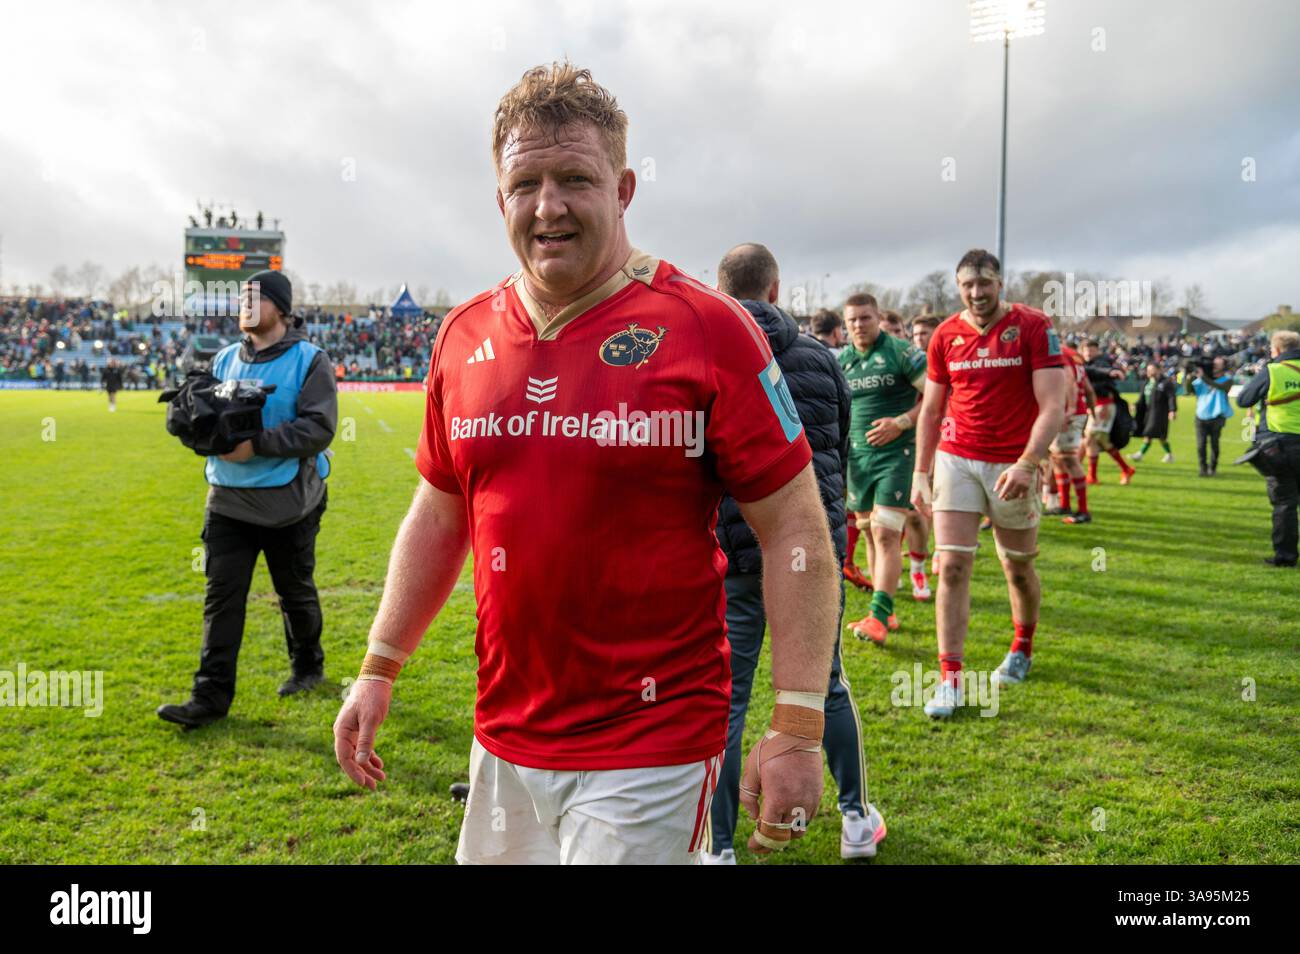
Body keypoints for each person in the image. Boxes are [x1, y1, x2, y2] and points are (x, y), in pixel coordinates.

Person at [331, 62, 839, 865]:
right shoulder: (462, 337)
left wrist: (800, 721)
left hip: (654, 741)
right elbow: (438, 514)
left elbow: (796, 527)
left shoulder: (709, 328)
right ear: (499, 198)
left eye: (575, 178)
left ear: (625, 187)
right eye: (524, 183)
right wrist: (379, 666)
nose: (548, 206)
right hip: (503, 736)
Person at [706, 243, 885, 863]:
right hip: (811, 549)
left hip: (737, 549)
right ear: (777, 290)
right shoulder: (822, 357)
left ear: (723, 293)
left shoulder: (707, 350)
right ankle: (856, 818)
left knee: (728, 697)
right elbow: (839, 439)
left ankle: (718, 845)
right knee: (825, 685)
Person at [158, 270, 338, 728]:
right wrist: (196, 428)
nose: (242, 304)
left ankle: (307, 666)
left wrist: (255, 444)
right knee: (221, 600)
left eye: (254, 297)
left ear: (280, 307)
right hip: (227, 502)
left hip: (288, 504)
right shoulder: (221, 359)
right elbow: (209, 419)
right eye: (240, 297)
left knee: (294, 594)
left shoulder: (309, 360)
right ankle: (209, 697)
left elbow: (319, 428)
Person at [911, 250, 1066, 718]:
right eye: (968, 286)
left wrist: (1028, 462)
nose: (977, 294)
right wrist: (921, 471)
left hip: (1011, 465)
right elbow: (933, 411)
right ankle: (951, 680)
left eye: (985, 284)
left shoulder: (1034, 326)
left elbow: (1053, 405)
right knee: (953, 567)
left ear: (1000, 282)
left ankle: (1021, 646)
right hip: (956, 460)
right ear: (958, 287)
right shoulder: (945, 334)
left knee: (1016, 568)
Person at [839, 294, 927, 645]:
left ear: (878, 318)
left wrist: (902, 422)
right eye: (852, 320)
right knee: (871, 532)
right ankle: (884, 607)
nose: (859, 325)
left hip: (896, 454)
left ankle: (877, 617)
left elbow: (937, 396)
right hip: (858, 459)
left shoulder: (901, 353)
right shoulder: (844, 360)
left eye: (865, 318)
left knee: (888, 532)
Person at [1236, 330, 1300, 566]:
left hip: (1279, 444)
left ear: (1277, 350)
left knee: (1285, 503)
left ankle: (1285, 556)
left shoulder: (1273, 371)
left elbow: (1243, 400)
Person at [905, 316, 941, 592]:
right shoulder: (906, 361)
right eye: (915, 334)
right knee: (913, 510)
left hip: (944, 441)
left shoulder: (943, 359)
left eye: (924, 333)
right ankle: (916, 564)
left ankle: (938, 552)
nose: (919, 339)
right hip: (909, 444)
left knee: (933, 504)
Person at [1049, 337, 1097, 524]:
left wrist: (1069, 409)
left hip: (1068, 412)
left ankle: (1083, 511)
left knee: (1068, 458)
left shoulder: (1059, 354)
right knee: (1058, 458)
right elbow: (1088, 388)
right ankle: (1064, 504)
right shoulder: (1074, 355)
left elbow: (1068, 380)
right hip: (1076, 411)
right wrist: (1091, 412)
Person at [1081, 339, 1135, 485]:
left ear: (1097, 351)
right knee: (1094, 440)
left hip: (1103, 405)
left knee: (1091, 437)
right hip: (1095, 405)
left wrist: (1110, 372)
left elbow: (1098, 372)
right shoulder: (1088, 364)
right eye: (1086, 350)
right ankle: (1121, 469)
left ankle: (1094, 475)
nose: (1088, 353)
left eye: (1091, 350)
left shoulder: (1101, 362)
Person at [1188, 355, 1233, 476]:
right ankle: (1203, 468)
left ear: (1224, 366)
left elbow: (1220, 387)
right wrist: (1189, 376)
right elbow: (1189, 390)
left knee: (1214, 444)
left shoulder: (1227, 380)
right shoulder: (1202, 379)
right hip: (1201, 416)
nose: (1215, 364)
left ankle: (1212, 468)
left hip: (1217, 417)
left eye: (1218, 363)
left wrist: (1202, 376)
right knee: (1200, 445)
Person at [1131, 361, 1178, 462]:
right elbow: (1142, 398)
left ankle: (1140, 454)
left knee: (1149, 433)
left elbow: (1171, 397)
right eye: (1148, 370)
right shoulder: (1147, 382)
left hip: (1159, 413)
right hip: (1147, 412)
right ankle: (1169, 455)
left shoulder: (1165, 383)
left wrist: (1172, 410)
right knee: (1160, 437)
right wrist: (1135, 405)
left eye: (1151, 370)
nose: (1149, 372)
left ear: (1158, 370)